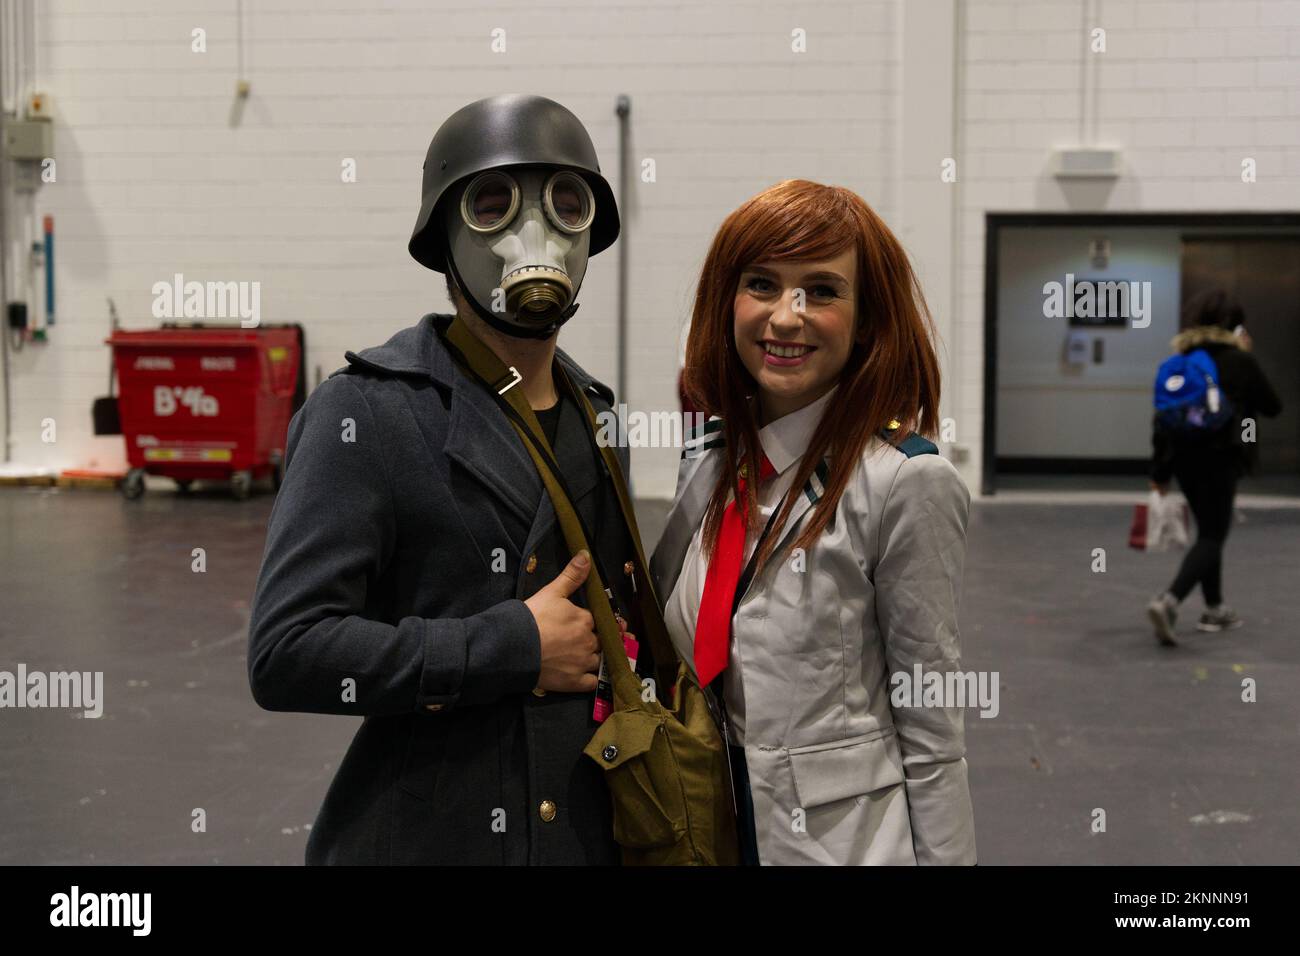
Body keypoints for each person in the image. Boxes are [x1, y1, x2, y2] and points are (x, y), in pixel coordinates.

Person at [248, 94, 653, 864]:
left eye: (567, 205)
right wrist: (508, 647)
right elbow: (288, 651)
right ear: (444, 238)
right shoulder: (367, 411)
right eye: (493, 204)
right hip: (432, 835)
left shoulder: (595, 417)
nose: (535, 235)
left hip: (577, 829)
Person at [649, 179, 977, 865]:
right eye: (762, 283)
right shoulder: (710, 459)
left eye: (822, 290)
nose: (786, 316)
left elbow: (932, 724)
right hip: (698, 822)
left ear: (866, 321)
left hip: (834, 844)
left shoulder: (905, 482)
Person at [1146, 289, 1283, 646]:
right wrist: (1247, 360)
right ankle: (1169, 600)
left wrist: (1160, 474)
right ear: (1235, 326)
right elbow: (1272, 406)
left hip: (1184, 460)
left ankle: (1215, 608)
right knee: (1213, 534)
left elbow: (1162, 420)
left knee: (1209, 529)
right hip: (1222, 458)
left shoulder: (1183, 359)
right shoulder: (1239, 361)